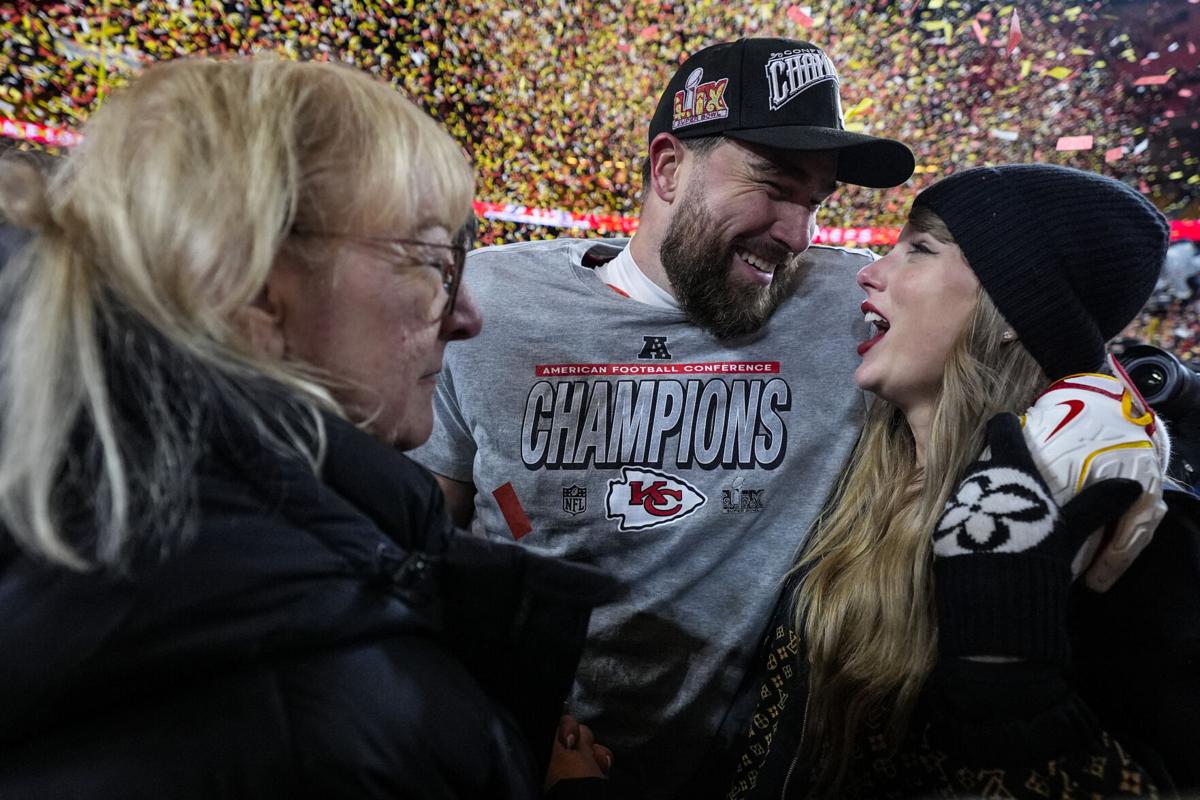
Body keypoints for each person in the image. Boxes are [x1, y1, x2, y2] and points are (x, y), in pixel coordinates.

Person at [0, 57, 614, 799]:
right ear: (253, 286)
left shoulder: (88, 511)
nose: (467, 315)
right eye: (430, 260)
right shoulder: (342, 717)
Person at [410, 37, 917, 798]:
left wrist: (1108, 412)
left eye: (815, 202)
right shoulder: (491, 304)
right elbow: (424, 549)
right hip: (506, 753)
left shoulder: (852, 306)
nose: (797, 233)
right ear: (669, 167)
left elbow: (1015, 317)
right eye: (774, 186)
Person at [722, 164, 1200, 798]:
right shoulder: (857, 466)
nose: (871, 271)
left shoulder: (1114, 528)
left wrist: (1016, 693)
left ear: (1012, 308)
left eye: (918, 249)